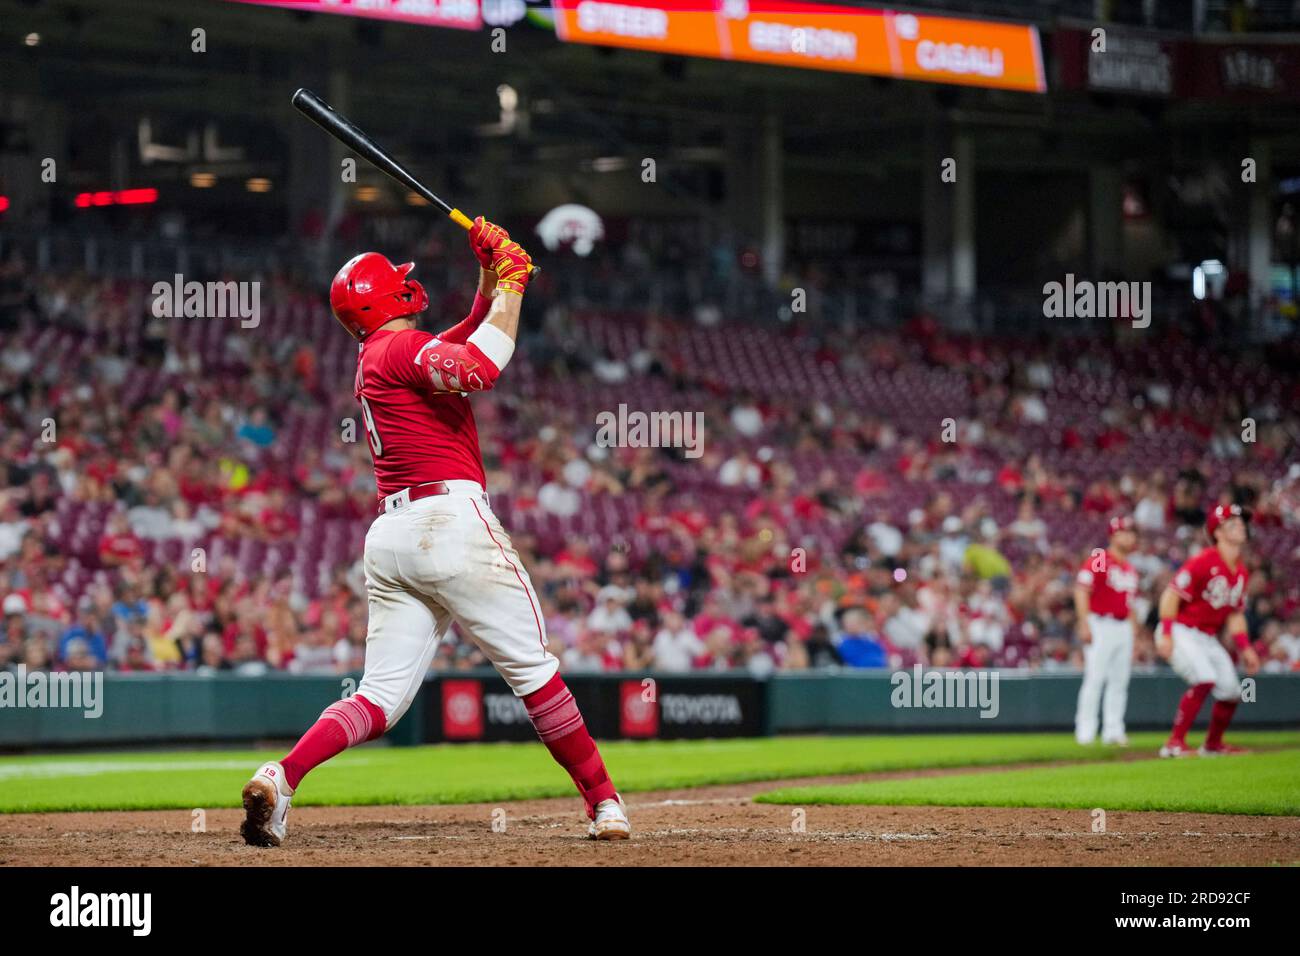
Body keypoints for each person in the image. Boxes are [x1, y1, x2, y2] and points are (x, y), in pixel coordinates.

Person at [239, 219, 629, 845]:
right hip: (449, 524)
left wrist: (488, 273)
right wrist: (517, 285)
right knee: (533, 671)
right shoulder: (398, 350)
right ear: (384, 298)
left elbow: (463, 337)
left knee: (378, 698)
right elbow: (480, 367)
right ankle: (605, 804)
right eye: (398, 282)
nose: (408, 286)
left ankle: (281, 776)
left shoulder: (380, 355)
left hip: (392, 537)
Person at [1156, 504, 1260, 758]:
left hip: (1206, 636)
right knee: (1204, 678)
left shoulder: (1241, 571)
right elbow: (1170, 596)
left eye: (1240, 523)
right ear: (1218, 533)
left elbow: (1235, 614)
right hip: (1181, 629)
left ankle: (1213, 745)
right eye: (1232, 524)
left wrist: (1246, 648)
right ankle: (1174, 743)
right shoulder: (1203, 560)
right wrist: (1167, 633)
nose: (1240, 527)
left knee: (1233, 691)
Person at [1073, 516, 1140, 746]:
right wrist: (1084, 622)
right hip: (1100, 623)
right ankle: (1086, 731)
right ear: (1113, 535)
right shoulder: (1101, 557)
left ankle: (1113, 730)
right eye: (1124, 532)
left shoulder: (1130, 568)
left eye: (1132, 533)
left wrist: (1135, 634)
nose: (1129, 536)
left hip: (1123, 627)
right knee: (1095, 678)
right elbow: (1082, 590)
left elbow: (1128, 605)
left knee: (1119, 681)